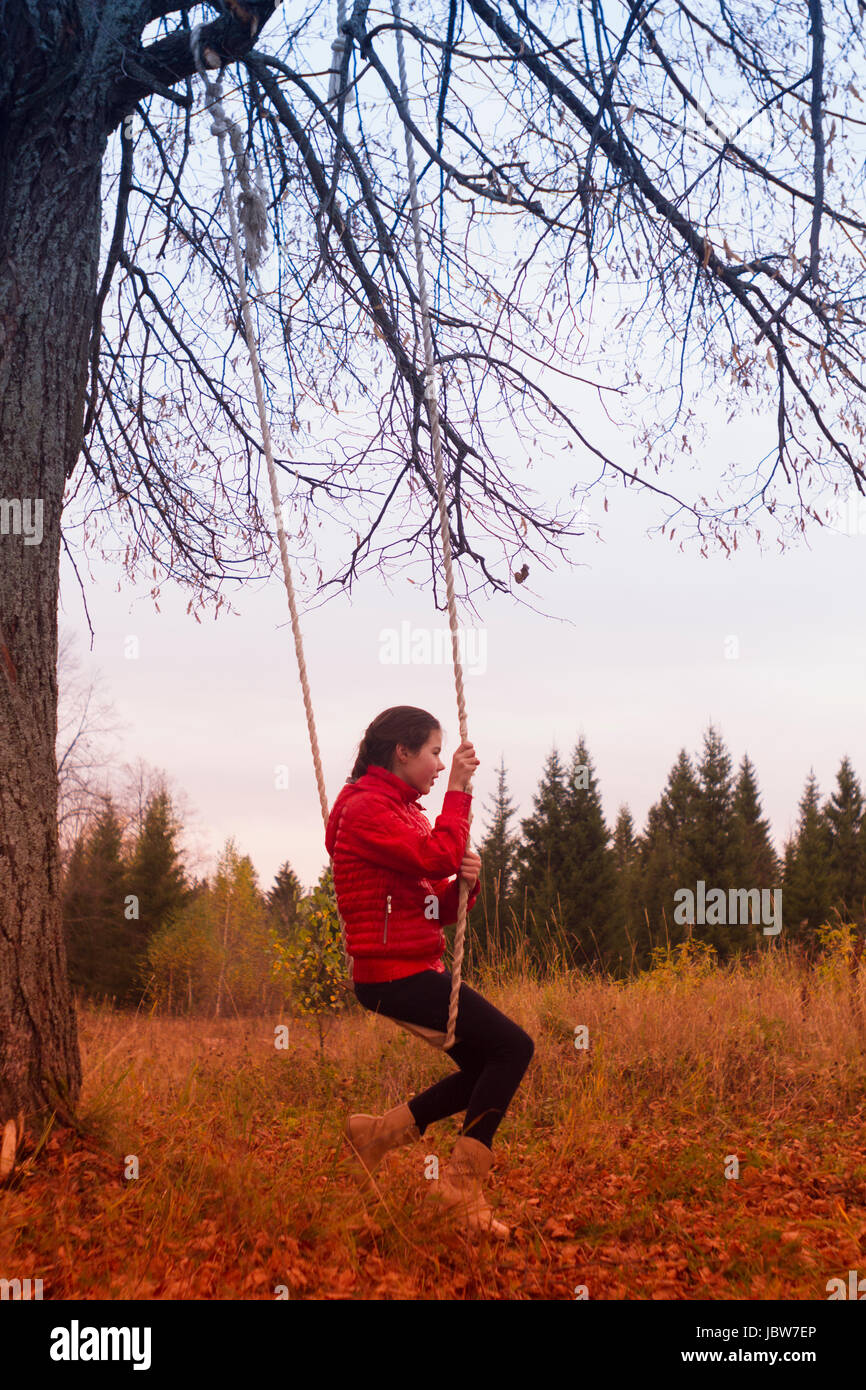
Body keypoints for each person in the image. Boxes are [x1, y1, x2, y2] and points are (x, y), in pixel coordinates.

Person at [324, 705, 534, 1239]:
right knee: (513, 1047)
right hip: (392, 974)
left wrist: (464, 886)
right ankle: (459, 1188)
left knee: (486, 1065)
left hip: (410, 966)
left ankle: (377, 1135)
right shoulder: (367, 810)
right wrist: (459, 791)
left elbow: (429, 906)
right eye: (435, 753)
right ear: (403, 752)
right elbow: (436, 854)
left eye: (444, 758)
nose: (441, 765)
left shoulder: (400, 810)